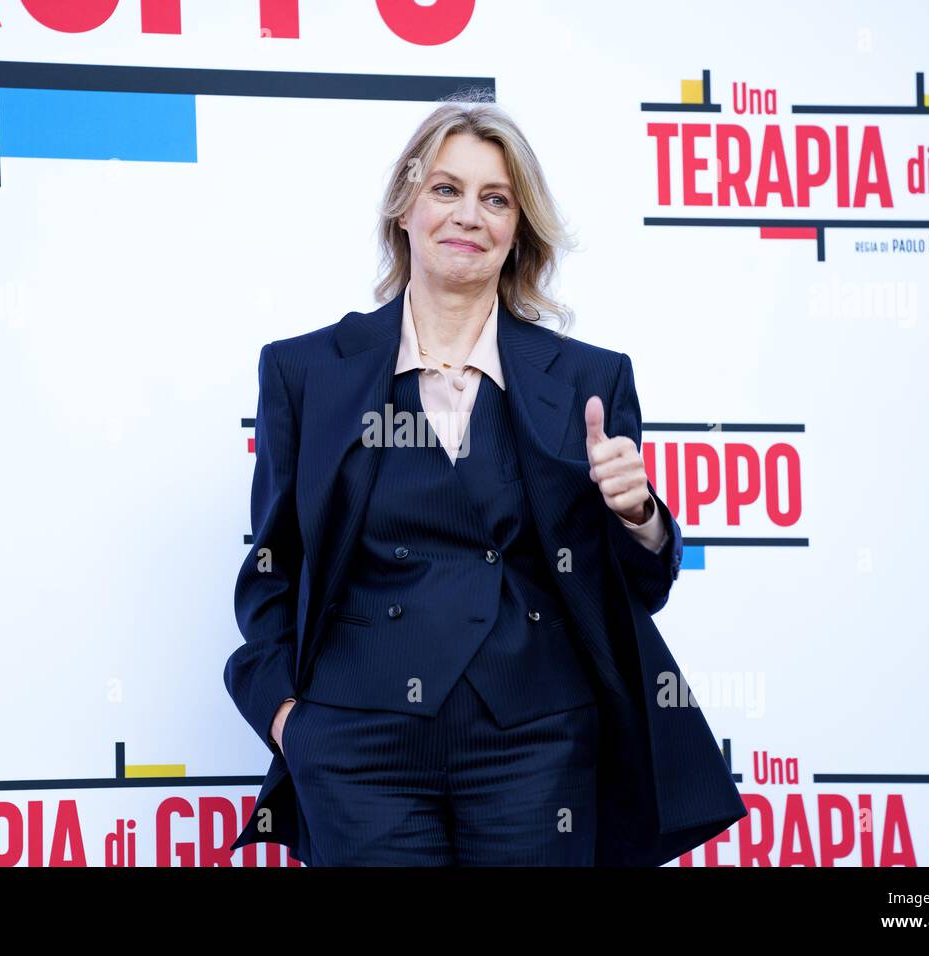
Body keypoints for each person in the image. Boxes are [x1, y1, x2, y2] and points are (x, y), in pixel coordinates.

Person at [226, 93, 745, 866]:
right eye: (446, 189)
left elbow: (638, 588)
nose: (469, 215)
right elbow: (274, 566)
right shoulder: (304, 372)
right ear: (404, 206)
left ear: (517, 229)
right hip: (358, 750)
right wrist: (290, 721)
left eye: (495, 199)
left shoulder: (587, 381)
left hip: (536, 747)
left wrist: (638, 514)